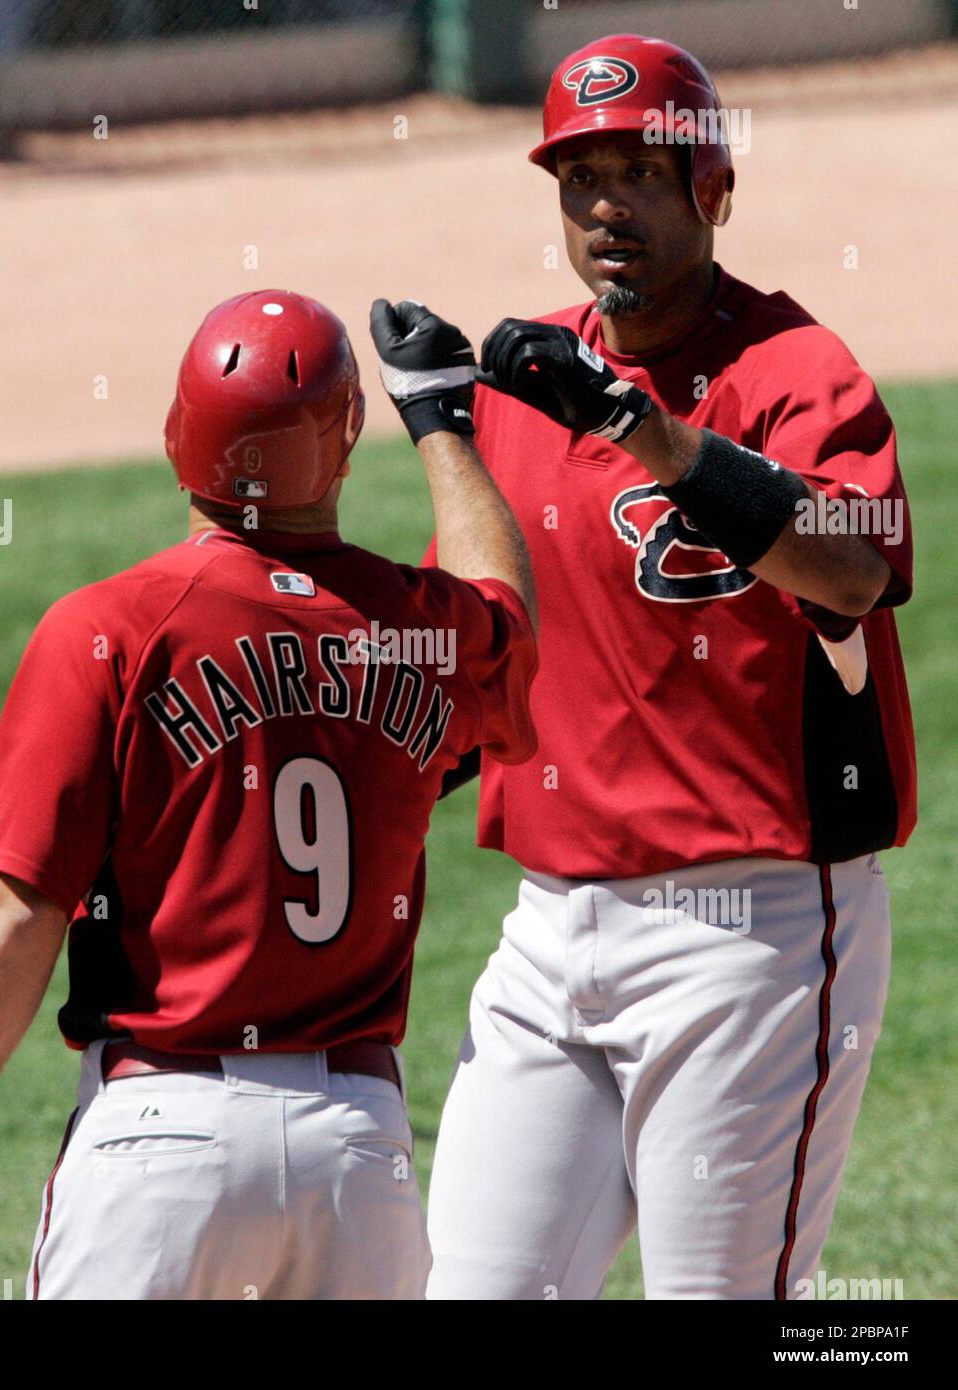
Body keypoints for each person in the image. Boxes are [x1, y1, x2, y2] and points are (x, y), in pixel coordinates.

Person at [0, 289, 537, 1301]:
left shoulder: (105, 628)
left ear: (174, 433)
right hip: (356, 1159)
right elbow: (504, 604)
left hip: (161, 1146)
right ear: (346, 439)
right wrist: (441, 421)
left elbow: (21, 904)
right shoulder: (419, 631)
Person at [423, 34, 916, 1300]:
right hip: (546, 934)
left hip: (748, 933)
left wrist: (644, 432)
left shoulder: (796, 372)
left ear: (711, 189)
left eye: (637, 173)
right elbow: (465, 657)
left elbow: (851, 572)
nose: (602, 206)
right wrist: (440, 429)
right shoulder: (520, 376)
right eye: (577, 176)